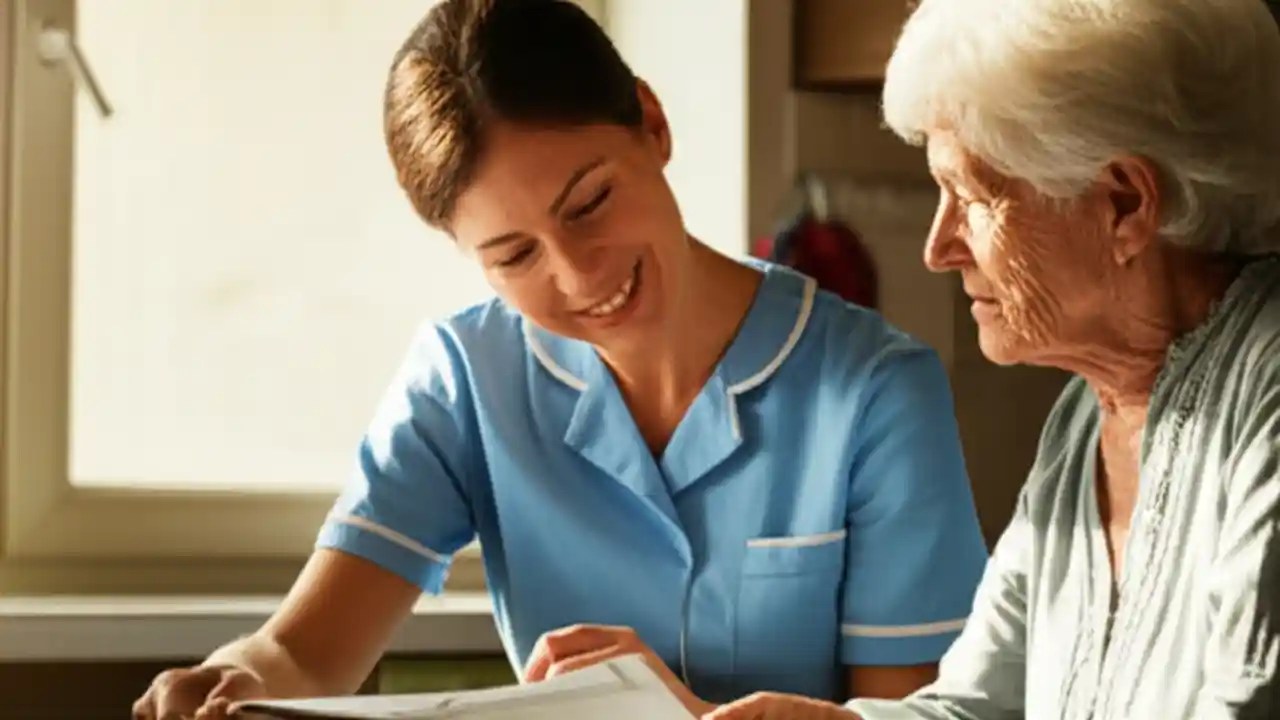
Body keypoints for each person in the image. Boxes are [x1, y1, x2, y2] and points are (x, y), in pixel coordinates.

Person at [129, 1, 988, 718]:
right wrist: (230, 680)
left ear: (653, 125)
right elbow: (302, 655)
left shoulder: (876, 392)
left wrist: (675, 714)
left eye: (590, 203)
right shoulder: (465, 379)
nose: (579, 275)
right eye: (513, 256)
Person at [642, 0, 1280, 717]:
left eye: (973, 196)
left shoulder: (1269, 395)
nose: (938, 247)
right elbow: (978, 705)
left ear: (1125, 204)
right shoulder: (1084, 418)